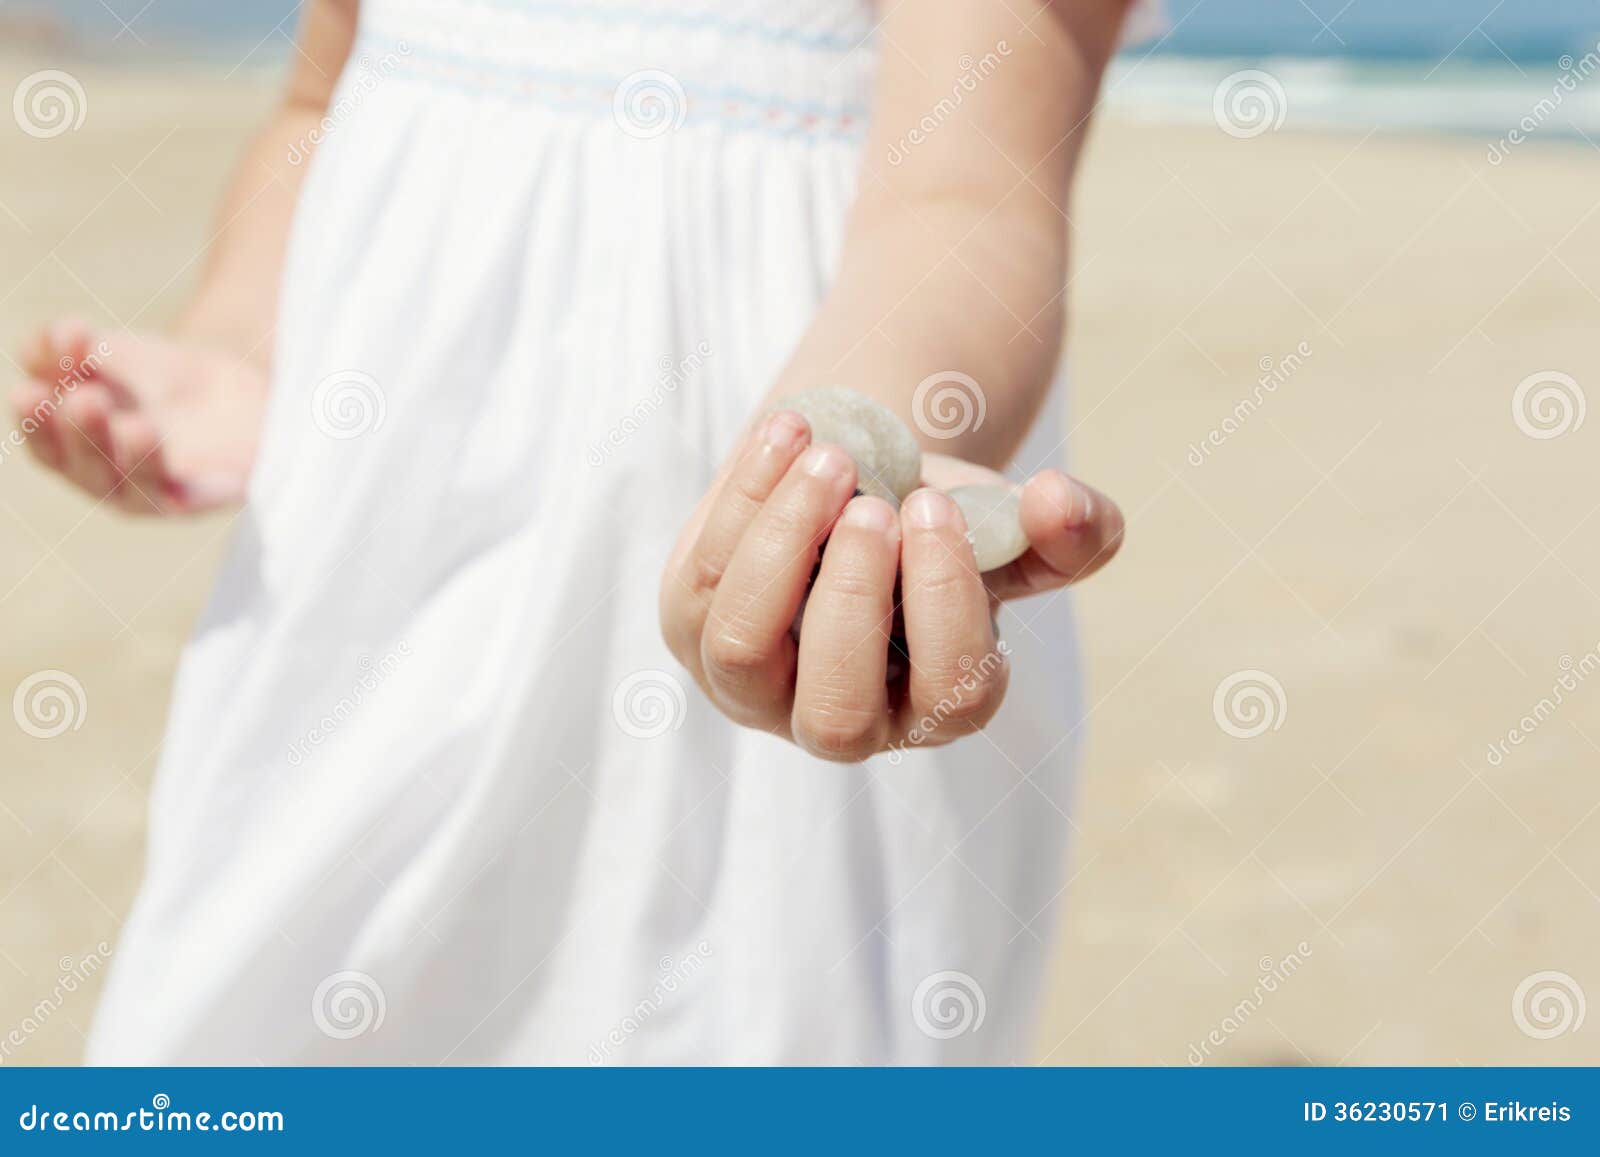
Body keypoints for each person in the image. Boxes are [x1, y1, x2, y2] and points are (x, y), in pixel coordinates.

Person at [10, 0, 1141, 1063]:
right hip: (367, 594)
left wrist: (835, 482)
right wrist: (237, 350)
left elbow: (963, 194)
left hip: (772, 575)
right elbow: (320, 97)